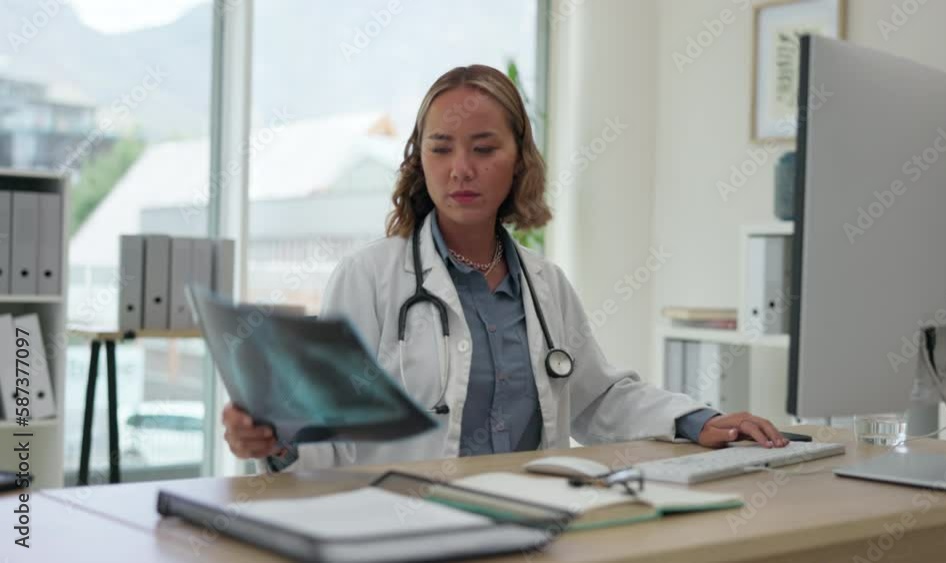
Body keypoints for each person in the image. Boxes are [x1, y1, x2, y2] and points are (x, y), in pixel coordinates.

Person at [222, 64, 788, 472]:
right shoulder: (368, 278)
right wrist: (276, 441)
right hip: (408, 532)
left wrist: (697, 420)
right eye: (441, 148)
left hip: (533, 522)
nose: (460, 169)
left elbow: (597, 399)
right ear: (419, 159)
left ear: (519, 158)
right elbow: (332, 431)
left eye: (484, 149)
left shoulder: (545, 285)